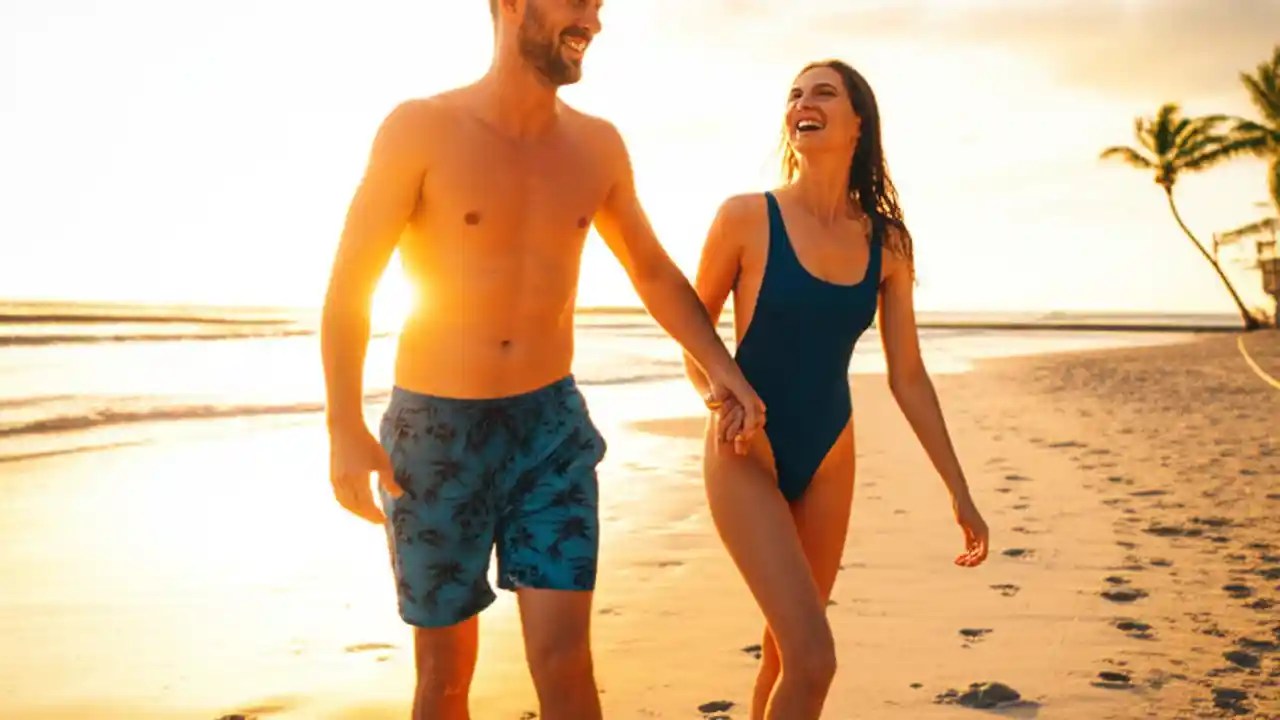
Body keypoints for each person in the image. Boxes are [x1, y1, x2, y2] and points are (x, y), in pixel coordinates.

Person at [319, 1, 765, 718]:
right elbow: (352, 282)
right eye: (578, 0)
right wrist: (345, 424)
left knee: (565, 663)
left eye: (598, 5)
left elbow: (650, 270)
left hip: (550, 429)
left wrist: (723, 367)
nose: (594, 18)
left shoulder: (598, 146)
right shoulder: (421, 127)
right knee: (443, 679)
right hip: (436, 437)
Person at [683, 59, 991, 720]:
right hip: (744, 453)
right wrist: (724, 398)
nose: (802, 101)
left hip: (829, 454)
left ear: (857, 124)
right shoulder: (745, 217)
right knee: (815, 657)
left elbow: (907, 375)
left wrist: (958, 490)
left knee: (786, 655)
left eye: (822, 92)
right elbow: (694, 337)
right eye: (794, 94)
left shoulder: (889, 244)